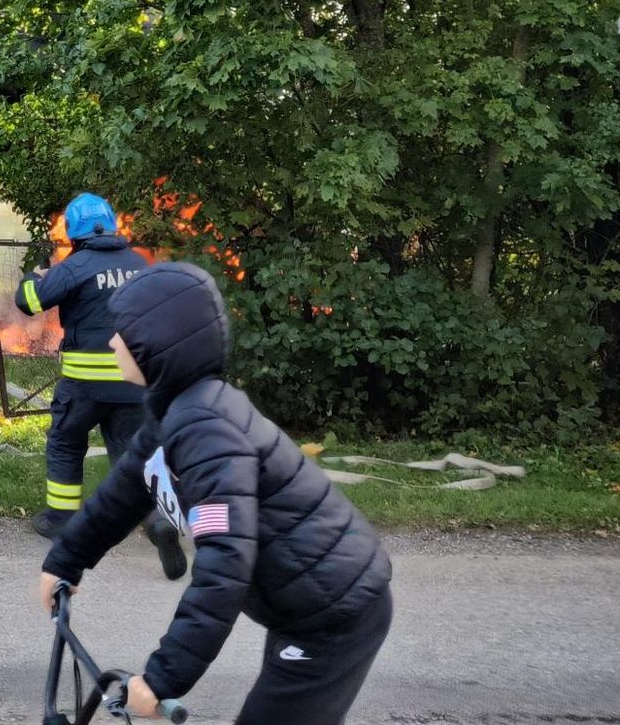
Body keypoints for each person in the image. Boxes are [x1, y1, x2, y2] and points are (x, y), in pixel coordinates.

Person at [37, 262, 393, 724]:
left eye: (123, 333)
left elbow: (224, 564)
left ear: (157, 344)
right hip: (304, 602)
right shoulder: (175, 413)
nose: (112, 343)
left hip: (333, 615)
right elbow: (120, 495)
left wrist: (163, 678)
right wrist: (66, 560)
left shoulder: (208, 430)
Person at [18, 192, 185, 579]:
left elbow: (29, 302)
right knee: (133, 457)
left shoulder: (75, 266)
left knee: (66, 440)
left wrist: (34, 276)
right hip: (133, 382)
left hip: (84, 384)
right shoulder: (140, 264)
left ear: (74, 232)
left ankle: (61, 519)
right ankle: (157, 519)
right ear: (112, 225)